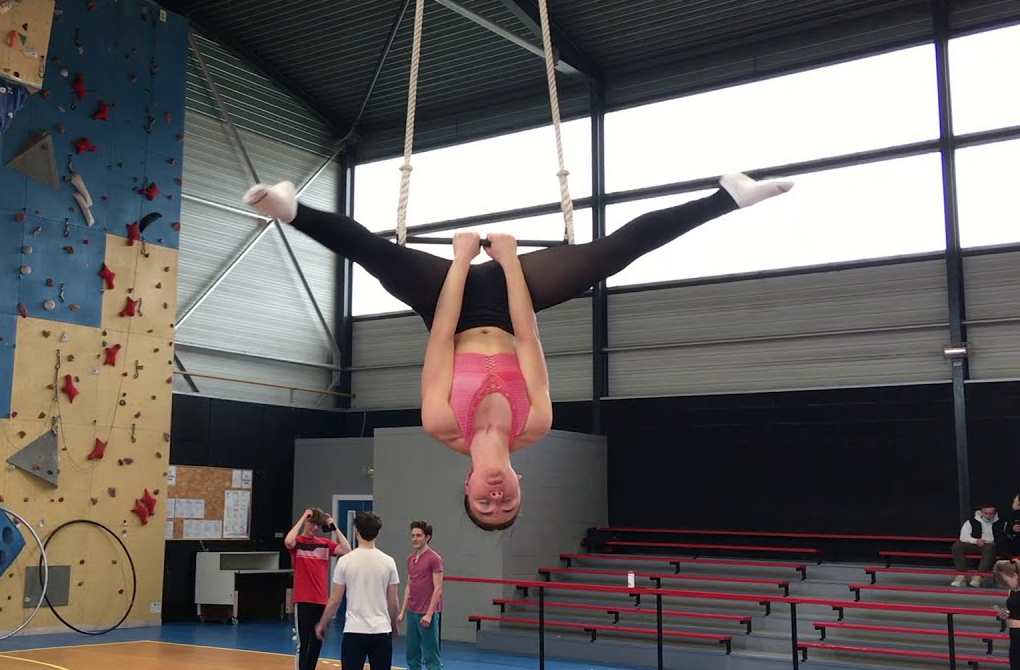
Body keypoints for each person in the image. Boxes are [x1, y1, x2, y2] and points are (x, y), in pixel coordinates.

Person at [244, 172, 792, 530]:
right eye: (506, 504)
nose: (496, 497)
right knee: (611, 254)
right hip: (513, 306)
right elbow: (529, 338)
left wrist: (462, 262)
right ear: (520, 488)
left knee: (377, 256)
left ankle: (293, 211)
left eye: (484, 504)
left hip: (446, 303)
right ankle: (728, 197)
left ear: (467, 487)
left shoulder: (442, 423)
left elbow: (441, 336)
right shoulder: (536, 423)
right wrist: (508, 263)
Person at [315, 512, 400, 670]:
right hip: (381, 631)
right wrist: (393, 624)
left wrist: (322, 623)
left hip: (354, 631)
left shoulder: (345, 561)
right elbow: (393, 601)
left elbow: (334, 600)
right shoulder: (389, 562)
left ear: (357, 532)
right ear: (378, 533)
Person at [286, 507, 353, 670]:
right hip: (303, 600)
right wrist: (303, 517)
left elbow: (347, 550)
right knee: (303, 644)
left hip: (321, 601)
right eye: (312, 524)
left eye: (317, 525)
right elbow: (288, 541)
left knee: (317, 642)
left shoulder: (324, 544)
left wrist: (334, 527)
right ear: (306, 522)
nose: (314, 528)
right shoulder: (298, 543)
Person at [398, 521, 444, 670]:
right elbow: (409, 586)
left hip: (426, 613)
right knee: (412, 655)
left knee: (431, 656)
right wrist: (403, 612)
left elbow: (438, 588)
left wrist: (429, 614)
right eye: (413, 536)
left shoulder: (434, 559)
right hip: (412, 612)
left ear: (427, 537)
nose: (415, 539)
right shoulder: (410, 559)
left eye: (418, 535)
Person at [952, 502, 1002, 587]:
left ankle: (979, 576)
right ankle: (961, 575)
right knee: (957, 546)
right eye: (986, 513)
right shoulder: (971, 522)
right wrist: (975, 541)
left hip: (990, 545)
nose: (988, 516)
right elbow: (963, 536)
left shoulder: (1000, 523)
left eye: (991, 513)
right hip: (974, 543)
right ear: (981, 512)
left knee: (990, 547)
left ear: (995, 513)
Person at [992, 559, 1020, 668]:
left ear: (1015, 576)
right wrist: (1008, 614)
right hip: (1014, 634)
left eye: (1007, 581)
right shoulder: (1012, 591)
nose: (1006, 583)